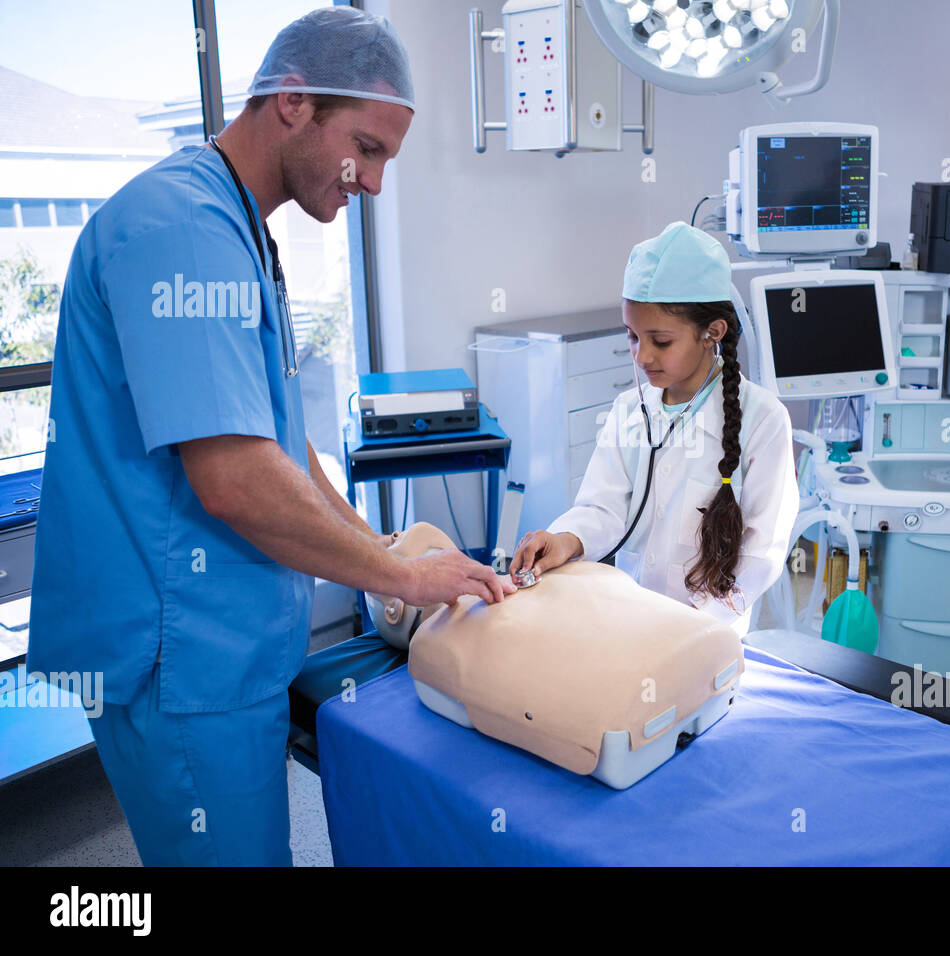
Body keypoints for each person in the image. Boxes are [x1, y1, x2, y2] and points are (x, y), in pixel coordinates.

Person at [26, 7, 510, 867]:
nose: (373, 181)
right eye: (367, 147)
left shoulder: (243, 230)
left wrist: (385, 547)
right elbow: (237, 480)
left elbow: (286, 447)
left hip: (227, 646)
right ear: (292, 101)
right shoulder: (182, 229)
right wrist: (402, 574)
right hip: (177, 658)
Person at [510, 221, 799, 635]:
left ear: (712, 332)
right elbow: (602, 508)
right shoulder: (629, 410)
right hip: (630, 623)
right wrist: (566, 539)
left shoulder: (763, 419)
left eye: (660, 341)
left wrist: (699, 622)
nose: (641, 355)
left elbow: (761, 550)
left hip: (707, 636)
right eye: (631, 336)